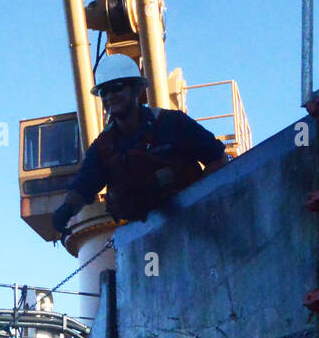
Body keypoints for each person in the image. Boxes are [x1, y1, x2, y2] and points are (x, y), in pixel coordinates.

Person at [52, 55, 230, 236]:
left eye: (117, 88)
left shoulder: (172, 123)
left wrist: (201, 203)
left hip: (195, 226)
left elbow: (218, 159)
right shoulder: (103, 148)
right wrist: (66, 209)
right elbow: (84, 184)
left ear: (136, 90)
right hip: (147, 237)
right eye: (104, 92)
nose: (110, 96)